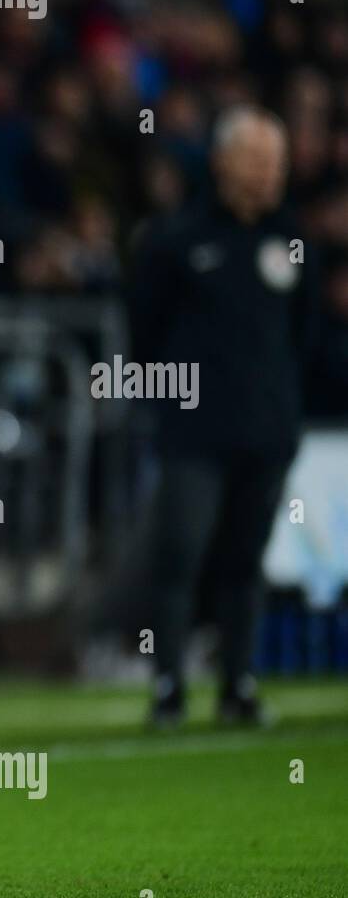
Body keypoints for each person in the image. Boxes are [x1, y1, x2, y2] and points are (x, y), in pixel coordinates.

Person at [129, 106, 319, 728]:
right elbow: (144, 334)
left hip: (266, 434)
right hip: (194, 433)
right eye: (257, 159)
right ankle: (167, 686)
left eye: (277, 161)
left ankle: (238, 684)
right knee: (179, 556)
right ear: (221, 161)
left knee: (245, 563)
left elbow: (304, 336)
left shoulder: (291, 240)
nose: (268, 173)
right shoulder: (177, 241)